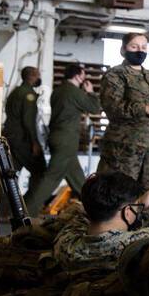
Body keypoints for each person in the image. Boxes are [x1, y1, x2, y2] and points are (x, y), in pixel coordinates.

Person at [98, 32, 149, 191]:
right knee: (119, 192)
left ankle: (147, 218)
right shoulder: (115, 75)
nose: (140, 50)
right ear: (124, 49)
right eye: (134, 46)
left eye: (143, 47)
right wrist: (144, 109)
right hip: (125, 148)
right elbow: (112, 107)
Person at [52, 172, 149, 273]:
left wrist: (136, 205)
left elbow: (80, 213)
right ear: (127, 213)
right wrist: (140, 205)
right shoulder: (138, 242)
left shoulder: (66, 244)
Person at [25, 65, 100, 212]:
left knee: (79, 181)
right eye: (83, 75)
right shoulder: (73, 92)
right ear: (78, 76)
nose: (84, 78)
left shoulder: (58, 91)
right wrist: (90, 92)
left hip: (57, 138)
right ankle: (27, 211)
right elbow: (94, 108)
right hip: (67, 140)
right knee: (51, 178)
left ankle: (96, 210)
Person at [2, 65, 45, 203]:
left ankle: (4, 209)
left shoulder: (15, 92)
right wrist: (35, 142)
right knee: (40, 169)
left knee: (10, 172)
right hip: (22, 139)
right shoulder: (28, 94)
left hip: (10, 137)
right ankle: (29, 204)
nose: (39, 77)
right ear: (31, 76)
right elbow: (28, 121)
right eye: (38, 74)